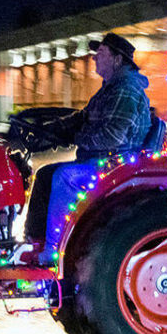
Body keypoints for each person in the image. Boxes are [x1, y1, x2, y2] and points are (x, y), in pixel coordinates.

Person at [19, 32, 151, 261]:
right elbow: (83, 118)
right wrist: (51, 129)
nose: (94, 58)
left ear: (117, 59)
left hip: (115, 164)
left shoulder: (125, 89)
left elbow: (113, 136)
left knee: (64, 176)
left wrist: (76, 138)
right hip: (102, 159)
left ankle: (54, 250)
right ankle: (35, 242)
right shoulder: (109, 89)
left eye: (101, 53)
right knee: (45, 173)